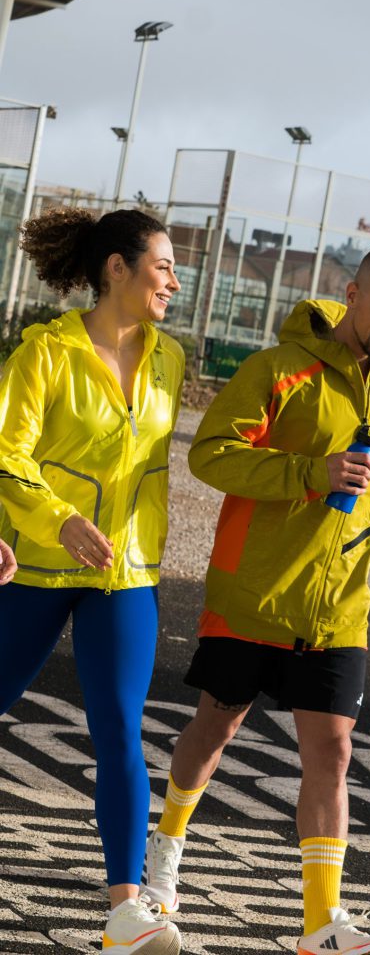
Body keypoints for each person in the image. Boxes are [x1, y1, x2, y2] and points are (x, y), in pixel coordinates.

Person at [142, 245, 370, 955]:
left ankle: (321, 924)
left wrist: (364, 537)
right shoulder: (277, 369)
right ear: (352, 294)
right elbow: (210, 453)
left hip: (337, 609)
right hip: (253, 595)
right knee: (214, 728)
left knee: (332, 753)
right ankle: (162, 869)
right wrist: (311, 472)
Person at [0, 207, 184, 955]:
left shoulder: (170, 358)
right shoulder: (43, 352)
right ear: (118, 267)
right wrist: (59, 521)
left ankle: (126, 911)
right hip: (39, 563)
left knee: (119, 726)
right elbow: (6, 457)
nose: (174, 279)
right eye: (163, 264)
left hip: (125, 574)